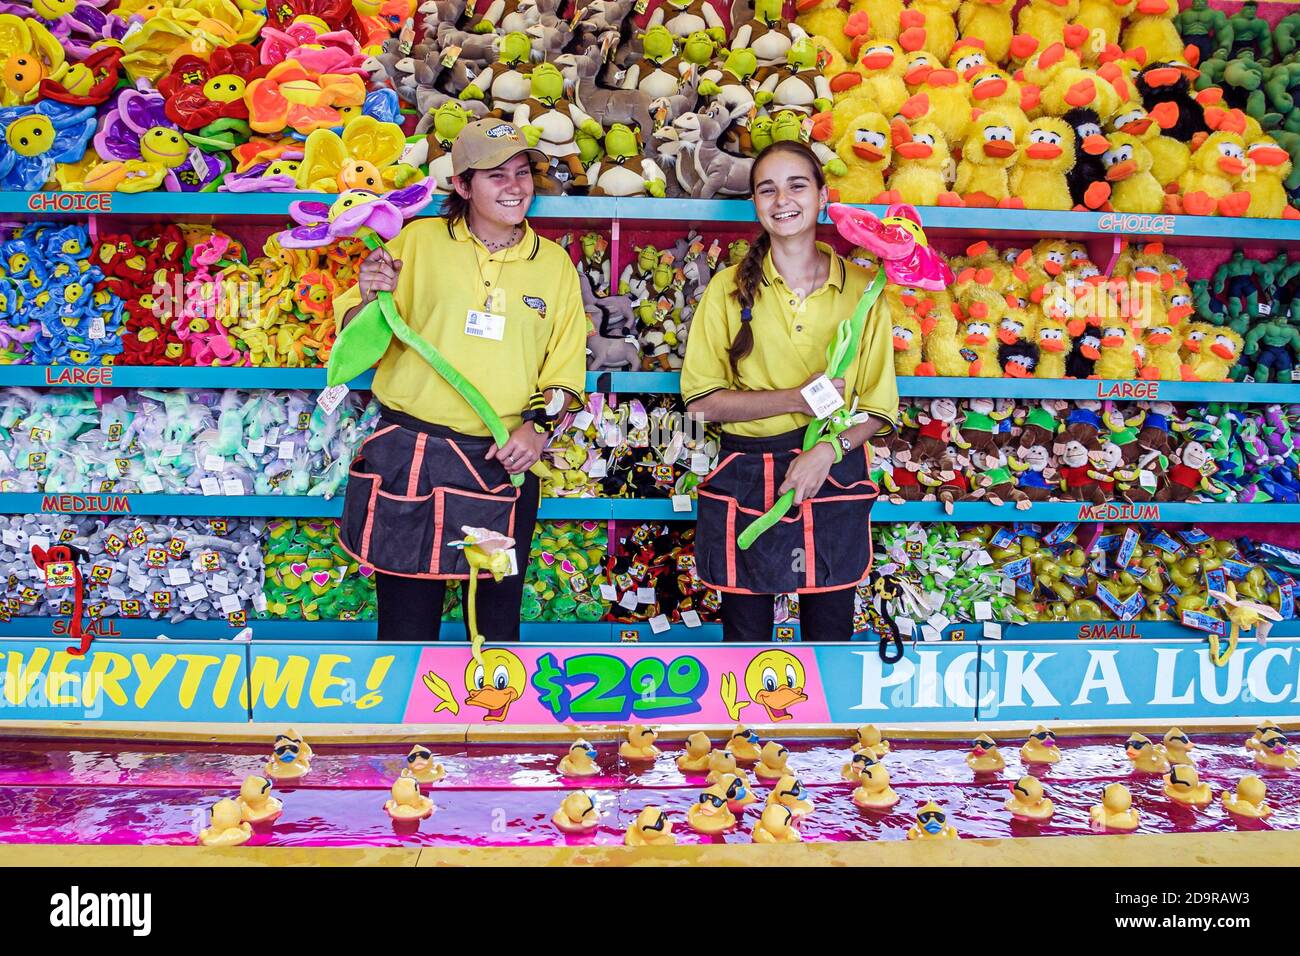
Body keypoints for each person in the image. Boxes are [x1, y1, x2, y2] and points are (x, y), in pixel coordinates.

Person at [333, 119, 587, 641]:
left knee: (494, 619)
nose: (515, 187)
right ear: (463, 186)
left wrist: (537, 430)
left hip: (498, 467)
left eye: (522, 173)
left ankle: (493, 718)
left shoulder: (554, 264)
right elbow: (357, 344)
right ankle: (403, 726)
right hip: (413, 460)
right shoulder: (417, 242)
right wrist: (365, 296)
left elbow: (564, 369)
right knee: (406, 619)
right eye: (497, 176)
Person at [680, 140, 898, 642]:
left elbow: (880, 406)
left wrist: (827, 450)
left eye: (797, 185)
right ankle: (746, 725)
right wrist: (796, 399)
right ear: (755, 203)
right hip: (746, 473)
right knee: (745, 639)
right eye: (767, 190)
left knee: (830, 636)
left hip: (833, 472)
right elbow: (701, 402)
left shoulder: (864, 290)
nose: (783, 200)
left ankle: (819, 726)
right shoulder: (729, 288)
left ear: (823, 196)